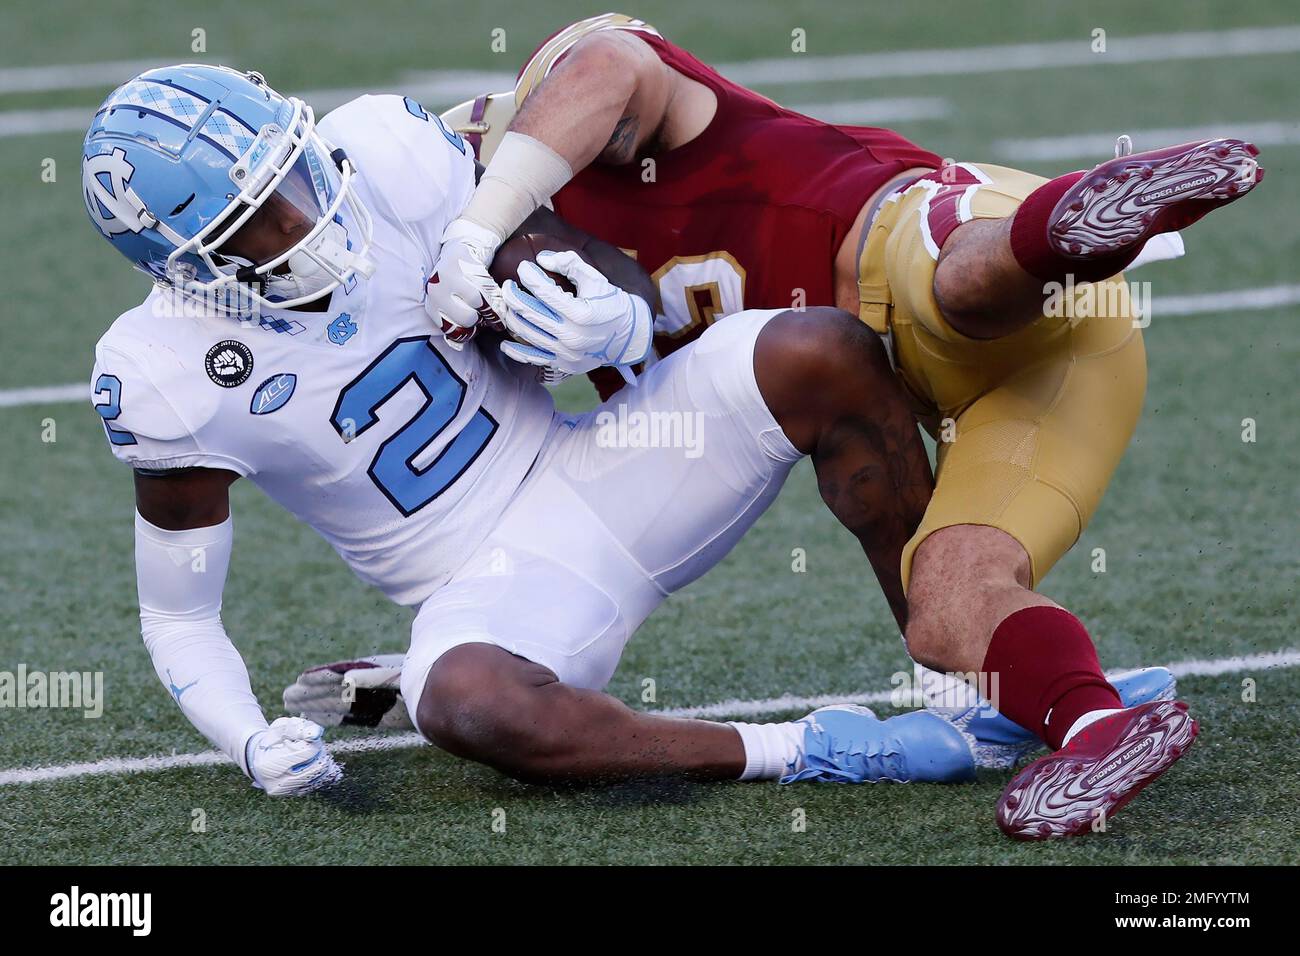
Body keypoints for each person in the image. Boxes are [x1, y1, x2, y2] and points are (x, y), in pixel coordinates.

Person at [420, 13, 1261, 837]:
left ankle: (1076, 225)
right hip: (1062, 378)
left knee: (938, 288)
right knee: (945, 609)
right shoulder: (573, 291)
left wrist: (477, 226)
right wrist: (450, 651)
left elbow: (603, 64)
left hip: (950, 240)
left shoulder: (618, 112)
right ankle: (1097, 732)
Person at [84, 63, 978, 803]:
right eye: (258, 223)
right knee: (474, 702)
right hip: (485, 583)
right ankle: (813, 746)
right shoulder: (169, 374)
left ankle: (957, 663)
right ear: (187, 268)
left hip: (604, 466)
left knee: (818, 349)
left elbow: (582, 261)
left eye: (296, 172)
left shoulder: (385, 155)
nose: (303, 219)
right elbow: (177, 613)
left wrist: (613, 316)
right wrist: (248, 743)